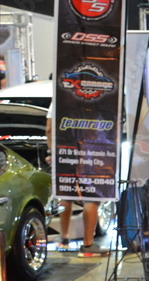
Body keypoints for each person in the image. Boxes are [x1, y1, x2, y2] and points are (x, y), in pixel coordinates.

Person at [45, 103, 107, 257]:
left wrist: (54, 152)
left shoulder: (59, 99)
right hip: (92, 152)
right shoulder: (98, 96)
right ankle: (87, 245)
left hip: (65, 151)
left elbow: (49, 129)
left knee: (66, 193)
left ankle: (64, 238)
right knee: (91, 198)